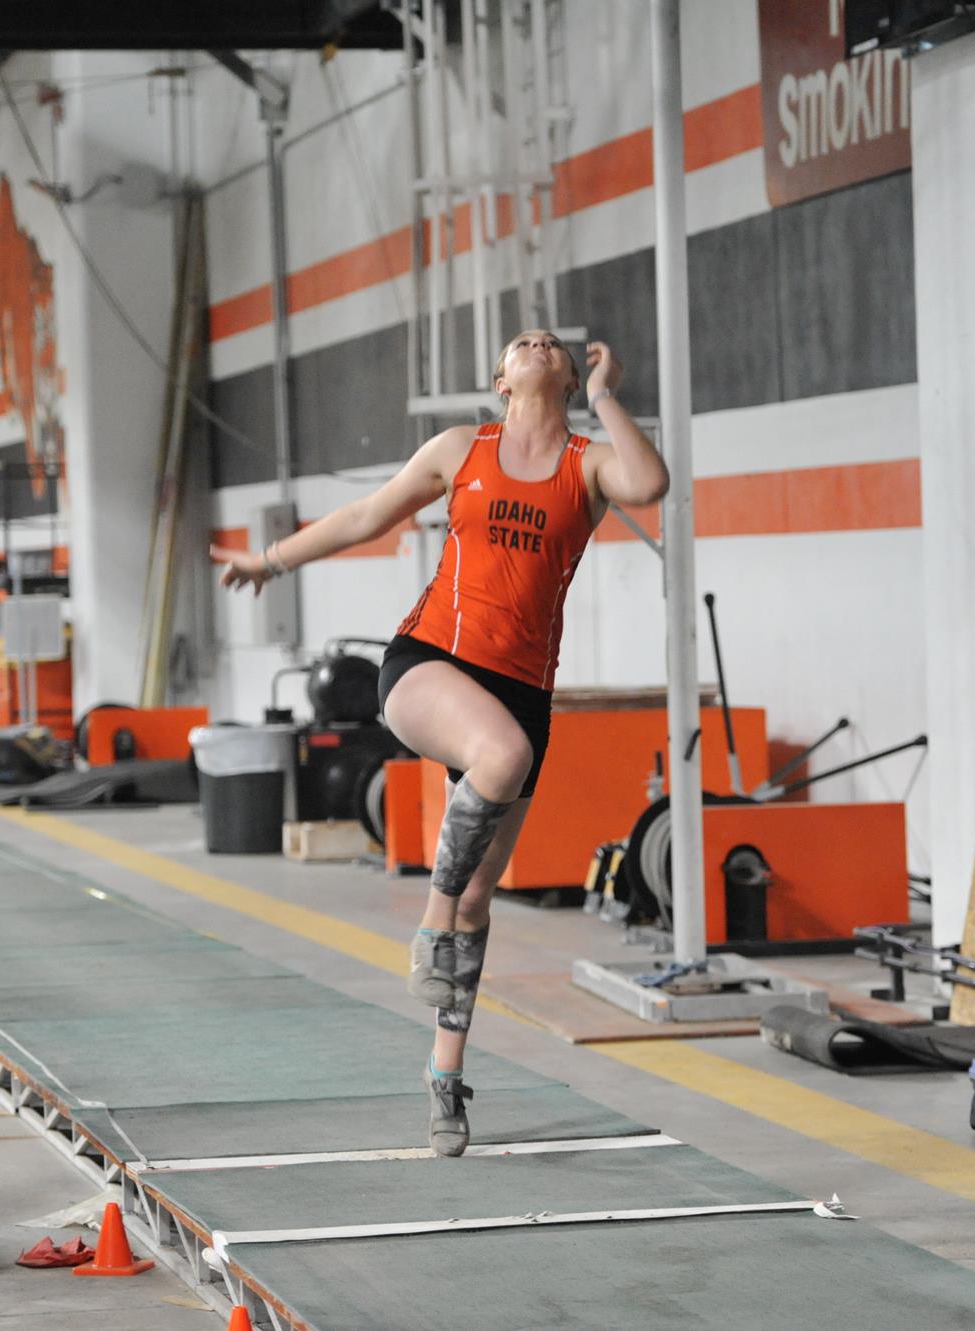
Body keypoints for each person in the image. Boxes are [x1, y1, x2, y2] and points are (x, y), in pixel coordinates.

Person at [213, 332, 669, 1156]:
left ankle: (444, 1075)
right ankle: (428, 925)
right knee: (500, 763)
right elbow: (365, 515)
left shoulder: (589, 464)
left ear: (568, 378)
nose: (537, 343)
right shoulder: (462, 448)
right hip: (430, 662)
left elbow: (651, 482)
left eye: (551, 344)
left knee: (480, 897)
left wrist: (607, 393)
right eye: (521, 343)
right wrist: (268, 561)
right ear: (500, 379)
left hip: (523, 695)